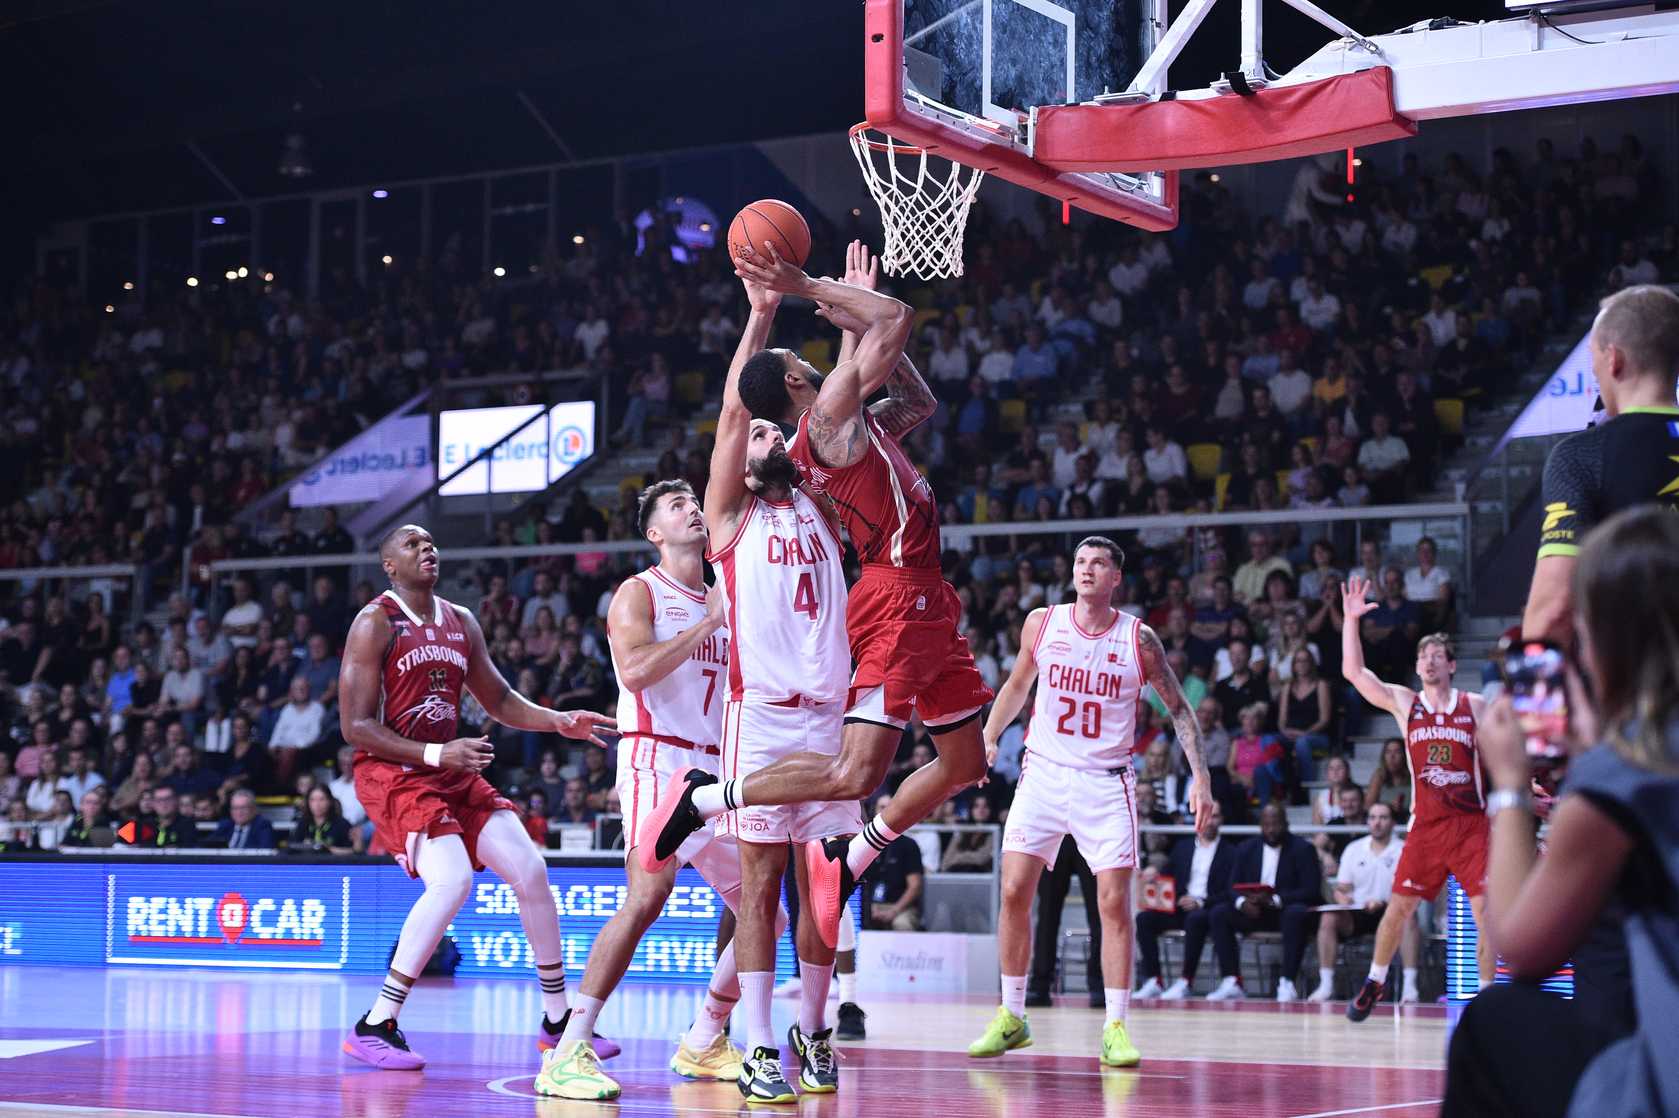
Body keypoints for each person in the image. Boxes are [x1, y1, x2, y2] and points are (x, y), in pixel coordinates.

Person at [646, 240, 993, 960]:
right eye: (807, 364)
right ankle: (711, 799)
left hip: (928, 597)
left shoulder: (842, 422)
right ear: (796, 383)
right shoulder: (827, 424)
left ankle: (852, 854)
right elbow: (897, 315)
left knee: (967, 765)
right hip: (894, 594)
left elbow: (916, 398)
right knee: (853, 774)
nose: (814, 362)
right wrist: (814, 286)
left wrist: (849, 328)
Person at [646, 262, 863, 1106]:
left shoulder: (826, 505)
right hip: (764, 718)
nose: (770, 438)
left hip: (829, 718)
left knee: (825, 885)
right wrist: (764, 313)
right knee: (765, 884)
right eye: (762, 436)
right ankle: (760, 1043)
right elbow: (740, 405)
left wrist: (843, 320)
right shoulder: (728, 518)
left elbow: (838, 407)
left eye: (781, 434)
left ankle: (815, 1033)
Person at [337, 523, 614, 1075]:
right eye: (413, 544)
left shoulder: (460, 620)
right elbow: (355, 727)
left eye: (431, 541)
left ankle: (557, 1022)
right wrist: (439, 756)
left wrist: (558, 721)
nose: (428, 548)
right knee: (454, 879)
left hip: (450, 768)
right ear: (389, 565)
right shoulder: (375, 622)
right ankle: (376, 1023)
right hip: (396, 773)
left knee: (531, 868)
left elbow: (499, 698)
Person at [544, 479, 785, 1101]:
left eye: (695, 503)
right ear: (655, 532)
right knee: (649, 894)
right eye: (678, 506)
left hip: (719, 771)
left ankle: (706, 1036)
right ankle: (570, 1048)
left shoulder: (725, 598)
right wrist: (707, 626)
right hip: (659, 763)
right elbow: (635, 670)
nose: (694, 510)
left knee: (768, 910)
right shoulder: (640, 591)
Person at [1444, 506, 1679, 1118]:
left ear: (1605, 639)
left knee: (1494, 1017)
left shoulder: (1621, 779)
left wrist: (1510, 788)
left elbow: (1520, 946)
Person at [970, 537, 1213, 1067]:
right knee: (1013, 890)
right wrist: (988, 736)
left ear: (1116, 578)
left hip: (1106, 782)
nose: (1086, 569)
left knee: (1112, 905)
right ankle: (1012, 1016)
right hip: (1044, 772)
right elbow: (1016, 686)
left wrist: (1202, 781)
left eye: (1098, 563)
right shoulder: (1043, 622)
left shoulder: (1140, 640)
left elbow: (1180, 711)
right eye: (1080, 561)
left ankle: (1116, 1026)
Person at [1341, 575, 1492, 1022]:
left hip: (1471, 826)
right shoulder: (1407, 704)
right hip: (1425, 825)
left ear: (1451, 664)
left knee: (1488, 914)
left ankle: (1485, 1002)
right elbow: (1354, 674)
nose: (1427, 662)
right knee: (1399, 907)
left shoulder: (1475, 705)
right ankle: (1375, 981)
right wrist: (1351, 621)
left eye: (1436, 656)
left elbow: (1506, 754)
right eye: (1422, 656)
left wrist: (1527, 789)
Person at [1522, 286, 1679, 644]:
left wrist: (1528, 696)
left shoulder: (1580, 455)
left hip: (1639, 689)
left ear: (1614, 360)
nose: (1594, 373)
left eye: (1593, 359)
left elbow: (1552, 610)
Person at [1205, 803, 1322, 1001]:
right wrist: (1243, 903)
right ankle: (1232, 980)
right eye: (1266, 824)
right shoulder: (1246, 848)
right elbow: (1232, 886)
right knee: (1219, 913)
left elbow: (1311, 890)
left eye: (1275, 824)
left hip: (1284, 911)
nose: (1271, 829)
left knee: (1296, 914)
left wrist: (1275, 900)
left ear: (1286, 824)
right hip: (1254, 912)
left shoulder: (1303, 849)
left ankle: (1287, 982)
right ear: (1260, 825)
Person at [1308, 801, 1417, 1003]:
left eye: (1383, 818)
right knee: (1328, 918)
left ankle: (1410, 987)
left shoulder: (1405, 850)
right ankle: (1326, 985)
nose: (1377, 823)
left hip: (1391, 909)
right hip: (1357, 911)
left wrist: (1383, 901)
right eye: (1373, 818)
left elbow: (1410, 889)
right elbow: (1342, 887)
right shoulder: (1353, 849)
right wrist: (1341, 896)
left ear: (1393, 823)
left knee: (1409, 917)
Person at [1136, 802, 1235, 999]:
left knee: (1196, 919)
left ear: (1221, 820)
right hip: (1180, 906)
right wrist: (1154, 874)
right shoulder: (1182, 847)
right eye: (1205, 815)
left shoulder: (1232, 852)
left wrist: (1201, 902)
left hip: (1208, 910)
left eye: (1214, 816)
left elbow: (1230, 891)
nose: (1209, 821)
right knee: (1144, 919)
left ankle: (1185, 980)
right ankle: (1154, 979)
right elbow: (1167, 876)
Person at [290, 784, 353, 853]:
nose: (317, 804)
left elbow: (352, 851)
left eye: (322, 799)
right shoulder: (303, 823)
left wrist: (327, 849)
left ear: (330, 801)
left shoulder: (342, 824)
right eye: (312, 800)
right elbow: (293, 847)